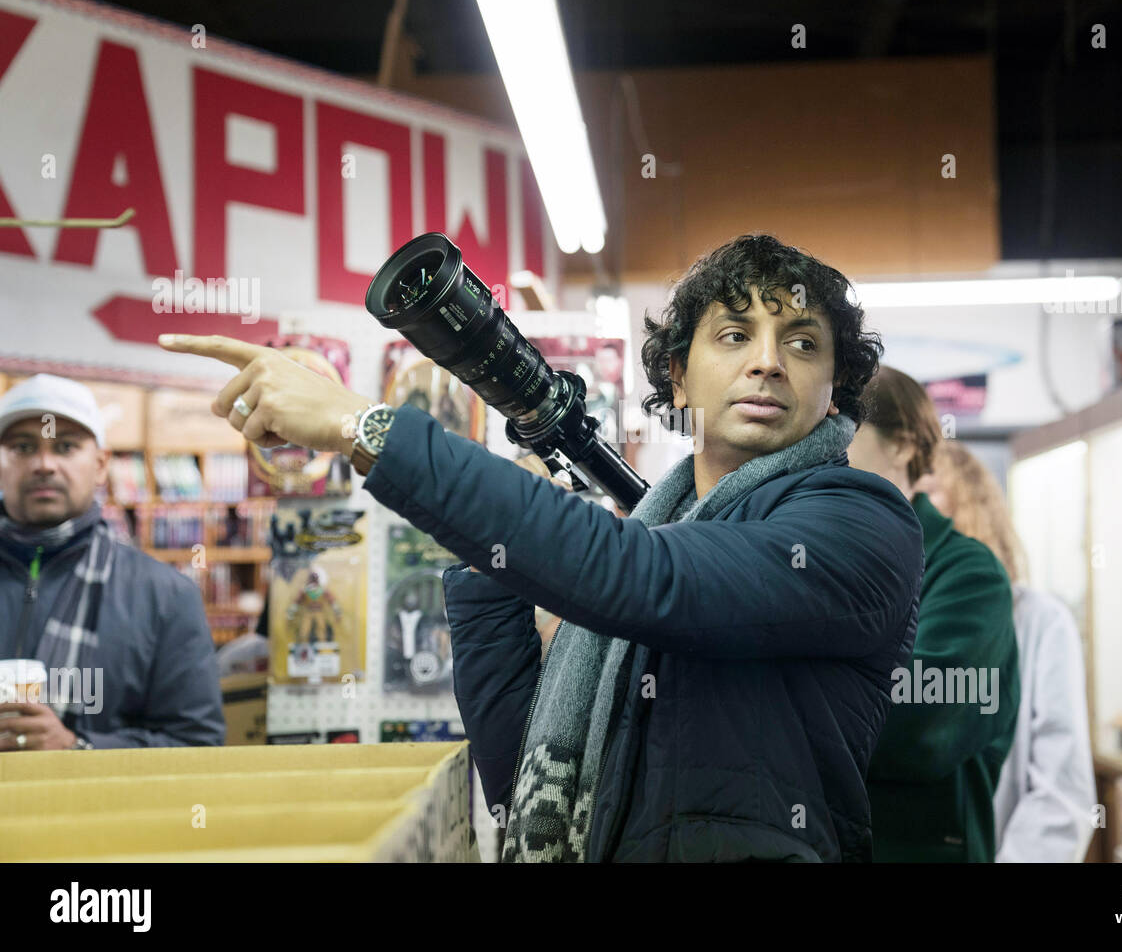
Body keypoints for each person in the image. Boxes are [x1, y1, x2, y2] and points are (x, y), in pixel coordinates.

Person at [159, 232, 925, 862]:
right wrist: (491, 567)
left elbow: (647, 581)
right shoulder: (663, 526)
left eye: (802, 343)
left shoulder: (860, 522)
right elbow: (515, 770)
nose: (767, 361)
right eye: (734, 335)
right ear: (678, 378)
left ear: (835, 389)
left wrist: (366, 427)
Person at [846, 366, 1019, 862]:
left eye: (843, 430)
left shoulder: (969, 574)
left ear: (901, 447)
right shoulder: (817, 561)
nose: (819, 452)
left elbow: (921, 722)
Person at [0, 374, 224, 750]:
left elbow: (197, 744)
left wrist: (76, 748)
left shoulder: (165, 596)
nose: (44, 464)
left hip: (93, 792)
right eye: (23, 447)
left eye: (65, 447)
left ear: (101, 465)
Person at [917, 440, 1096, 862]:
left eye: (927, 493)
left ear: (970, 510)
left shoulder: (1039, 620)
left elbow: (1062, 789)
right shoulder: (897, 615)